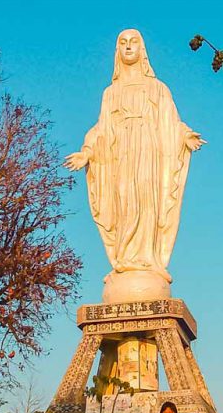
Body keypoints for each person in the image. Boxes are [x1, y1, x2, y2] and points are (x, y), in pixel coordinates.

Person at [64, 30, 205, 299]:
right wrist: (87, 152)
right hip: (120, 155)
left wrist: (185, 135)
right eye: (123, 43)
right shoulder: (111, 93)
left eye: (134, 42)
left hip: (149, 152)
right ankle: (125, 261)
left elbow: (170, 121)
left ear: (143, 50)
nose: (129, 47)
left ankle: (147, 260)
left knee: (145, 199)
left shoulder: (158, 88)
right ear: (117, 51)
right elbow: (102, 129)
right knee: (124, 202)